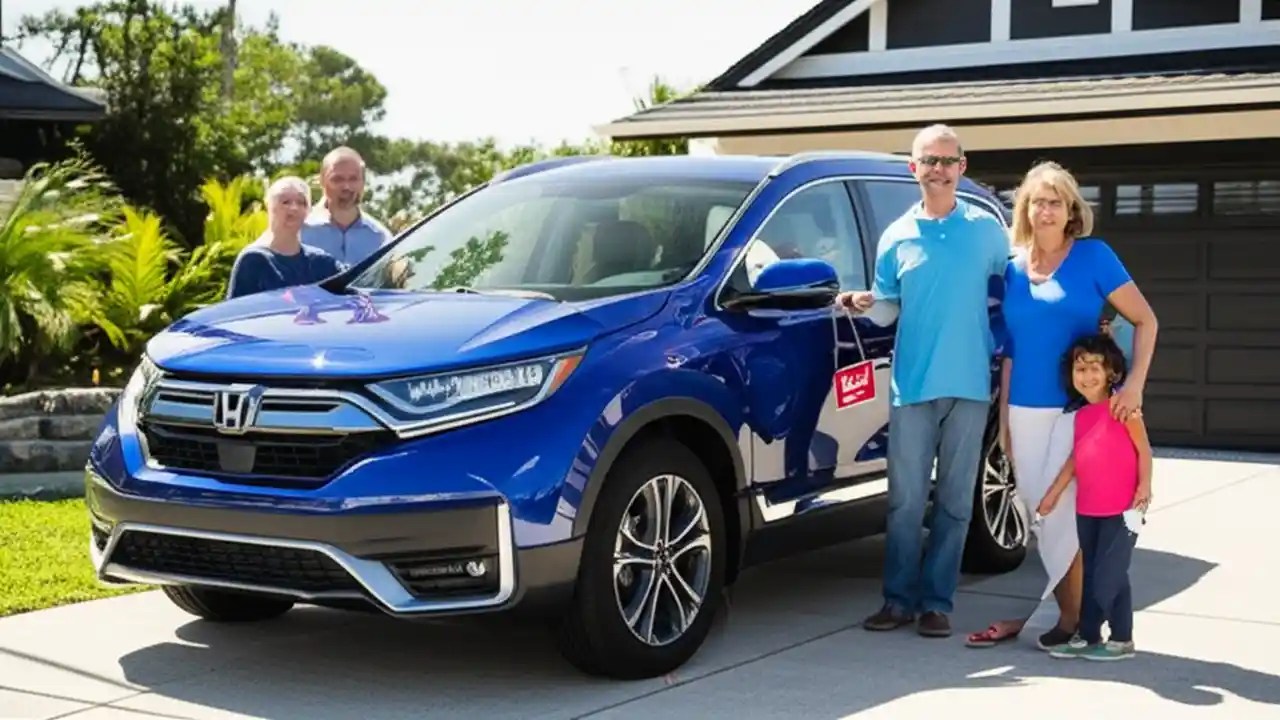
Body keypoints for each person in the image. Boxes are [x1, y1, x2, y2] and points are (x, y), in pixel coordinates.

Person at [965, 161, 1158, 651]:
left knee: (1067, 515)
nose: (1046, 210)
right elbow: (1009, 351)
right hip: (1024, 409)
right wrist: (1005, 418)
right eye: (1037, 201)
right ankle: (1072, 616)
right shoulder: (1012, 267)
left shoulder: (1094, 257)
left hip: (1082, 411)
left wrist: (1132, 385)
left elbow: (1145, 321)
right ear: (1025, 210)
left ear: (1072, 210)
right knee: (1040, 514)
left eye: (1056, 201)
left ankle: (1073, 621)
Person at [837, 124, 1011, 638]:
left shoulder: (986, 231)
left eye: (946, 160)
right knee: (905, 503)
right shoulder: (896, 235)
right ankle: (898, 601)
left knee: (956, 503)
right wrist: (862, 302)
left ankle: (937, 603)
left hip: (970, 386)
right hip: (911, 385)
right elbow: (888, 312)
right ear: (912, 168)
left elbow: (1016, 291)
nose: (937, 169)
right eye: (927, 161)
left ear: (963, 167)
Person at [1037, 333, 1152, 661]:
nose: (1086, 376)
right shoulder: (1081, 416)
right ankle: (1104, 637)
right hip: (1087, 507)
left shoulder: (1123, 407)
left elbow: (1144, 451)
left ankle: (1104, 636)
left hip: (1122, 507)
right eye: (1080, 369)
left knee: (1109, 573)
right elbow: (1077, 459)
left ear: (1112, 373)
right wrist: (1053, 495)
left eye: (1094, 369)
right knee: (1095, 572)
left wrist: (1144, 489)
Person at [226, 176, 346, 299]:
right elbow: (237, 313)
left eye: (301, 202)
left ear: (308, 211)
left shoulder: (322, 263)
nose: (294, 208)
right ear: (269, 206)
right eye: (285, 202)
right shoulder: (253, 260)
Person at [301, 146, 393, 265]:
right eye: (337, 179)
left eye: (353, 179)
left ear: (363, 182)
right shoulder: (300, 231)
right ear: (322, 181)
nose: (346, 187)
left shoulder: (380, 237)